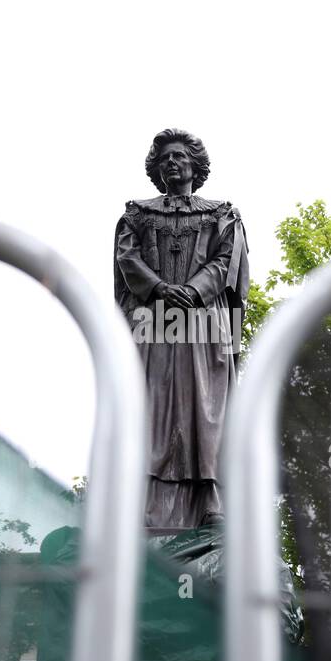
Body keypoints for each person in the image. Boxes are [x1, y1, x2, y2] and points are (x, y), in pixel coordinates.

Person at [113, 128, 249, 532]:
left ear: (195, 166)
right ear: (156, 169)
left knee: (205, 412)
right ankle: (143, 502)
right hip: (153, 325)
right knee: (150, 408)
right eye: (165, 158)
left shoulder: (222, 213)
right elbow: (127, 259)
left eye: (180, 157)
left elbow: (229, 262)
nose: (172, 162)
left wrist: (192, 290)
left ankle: (211, 501)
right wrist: (159, 290)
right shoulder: (137, 213)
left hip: (204, 327)